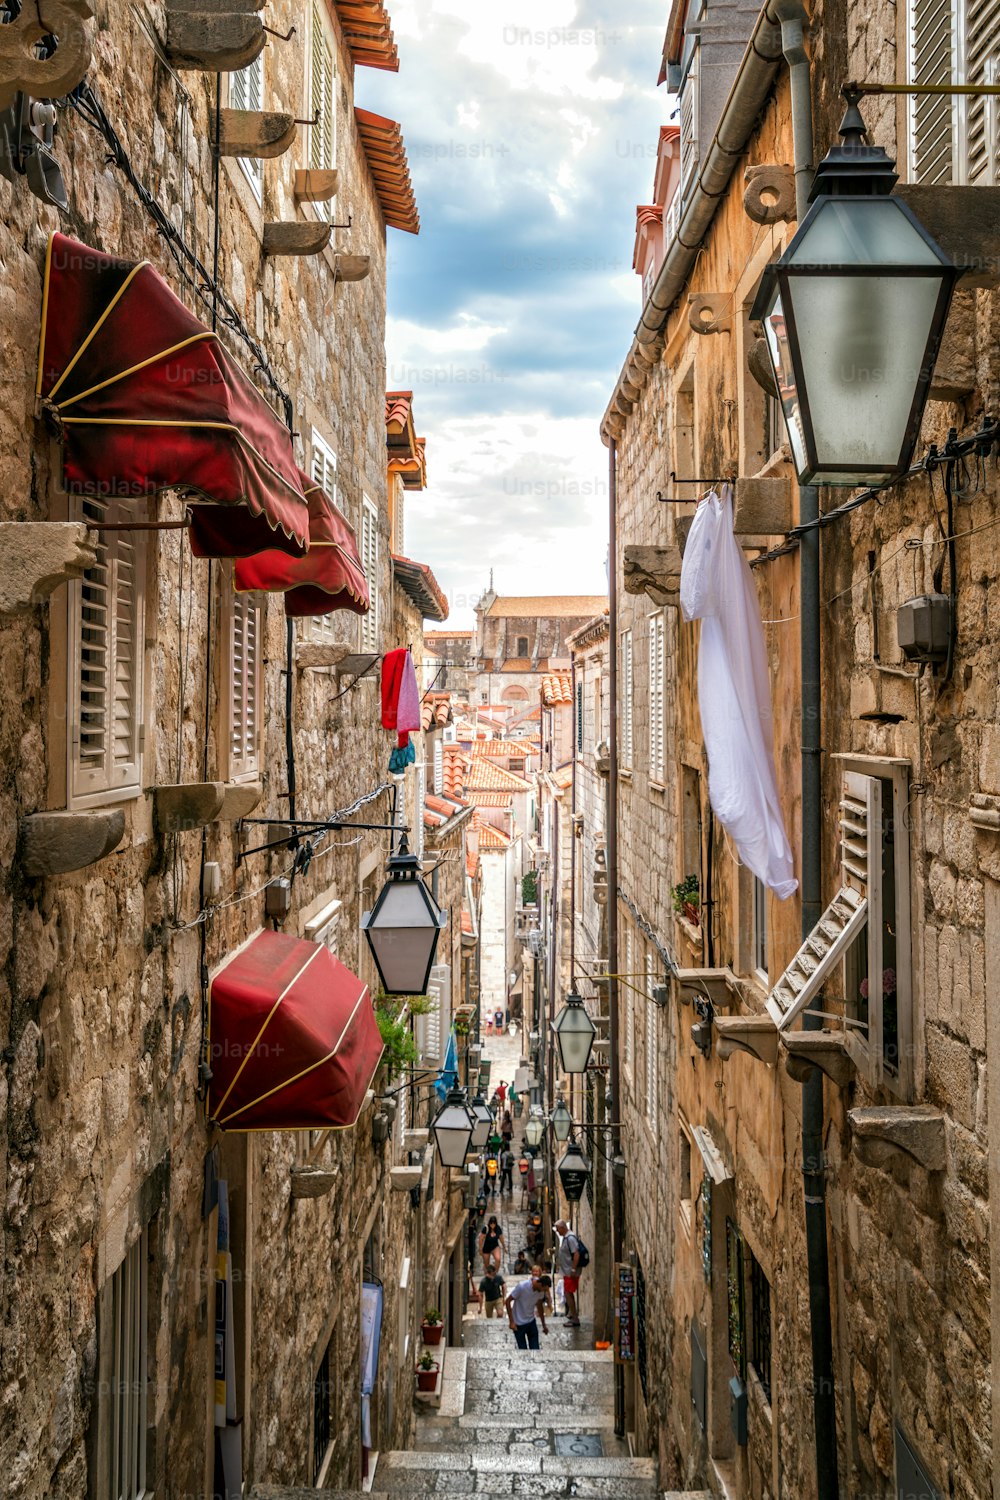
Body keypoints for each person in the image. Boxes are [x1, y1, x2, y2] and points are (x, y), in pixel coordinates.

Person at [505, 1272, 551, 1350]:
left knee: (535, 1349)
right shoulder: (522, 1287)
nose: (545, 1292)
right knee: (523, 1351)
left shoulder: (541, 1292)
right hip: (519, 1323)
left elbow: (539, 1306)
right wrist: (511, 1322)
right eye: (544, 1289)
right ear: (540, 1284)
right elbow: (508, 1301)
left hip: (531, 1321)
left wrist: (544, 1325)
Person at [555, 1219, 583, 1327]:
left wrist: (573, 1269)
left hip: (570, 1272)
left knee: (568, 1293)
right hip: (567, 1271)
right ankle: (572, 1314)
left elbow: (576, 1254)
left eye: (558, 1229)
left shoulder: (570, 1238)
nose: (557, 1231)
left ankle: (575, 1318)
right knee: (568, 1293)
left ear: (563, 1227)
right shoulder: (567, 1238)